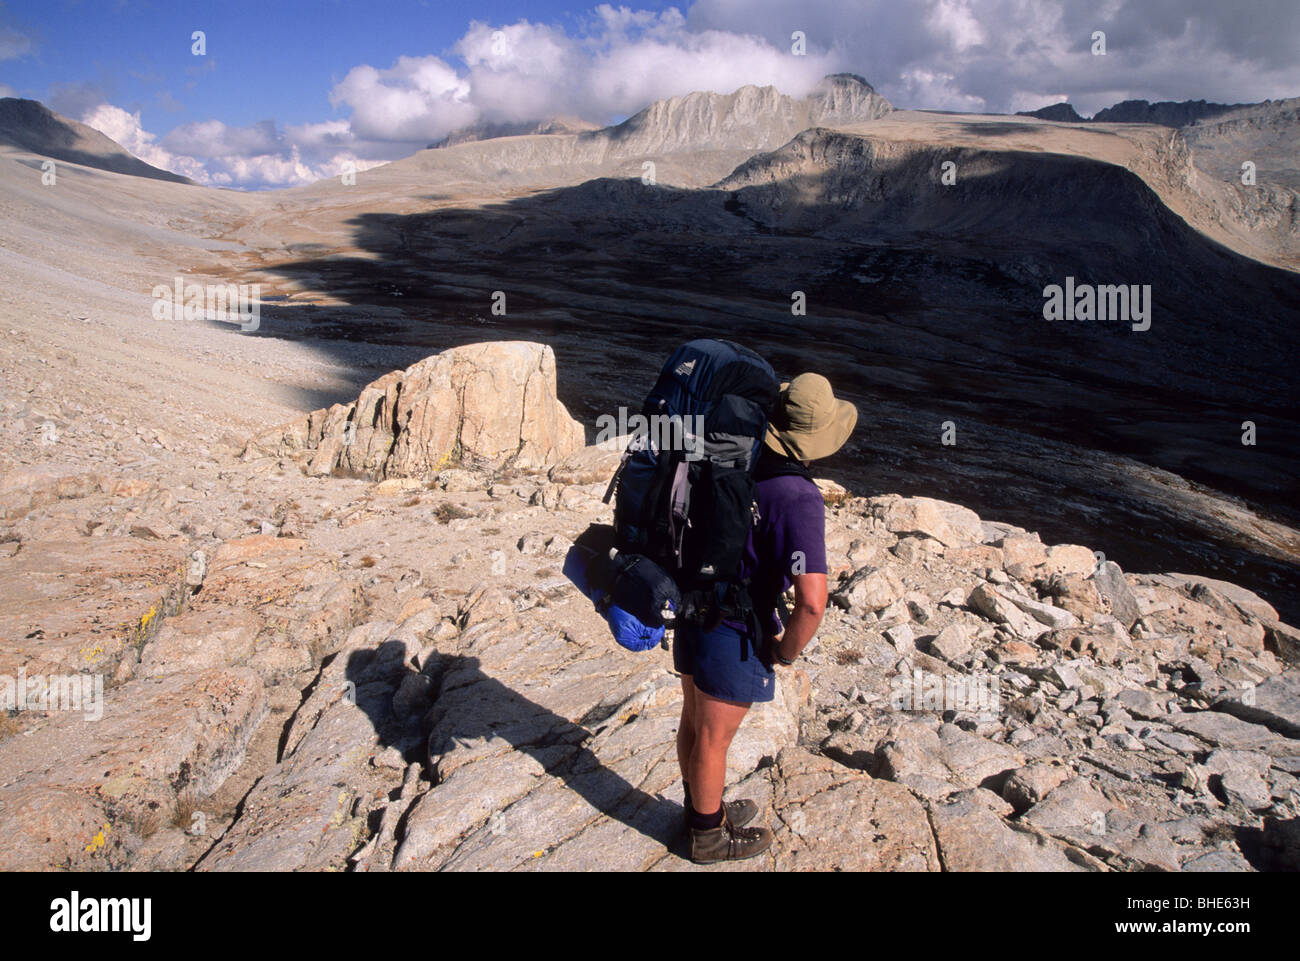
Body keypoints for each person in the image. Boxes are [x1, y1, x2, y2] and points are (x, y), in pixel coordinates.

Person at [673, 372, 858, 863]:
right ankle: (708, 838)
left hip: (695, 605)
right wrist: (785, 650)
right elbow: (813, 602)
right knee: (714, 737)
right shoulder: (798, 497)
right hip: (734, 625)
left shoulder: (738, 454)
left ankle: (699, 811)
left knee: (694, 720)